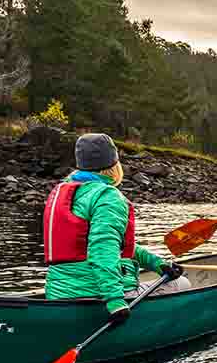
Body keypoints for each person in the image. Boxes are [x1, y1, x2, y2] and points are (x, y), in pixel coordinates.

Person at [44, 133, 190, 324]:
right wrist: (115, 301)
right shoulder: (108, 197)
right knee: (183, 283)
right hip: (97, 294)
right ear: (113, 165)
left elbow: (118, 245)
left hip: (58, 293)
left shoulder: (65, 192)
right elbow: (103, 250)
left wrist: (157, 264)